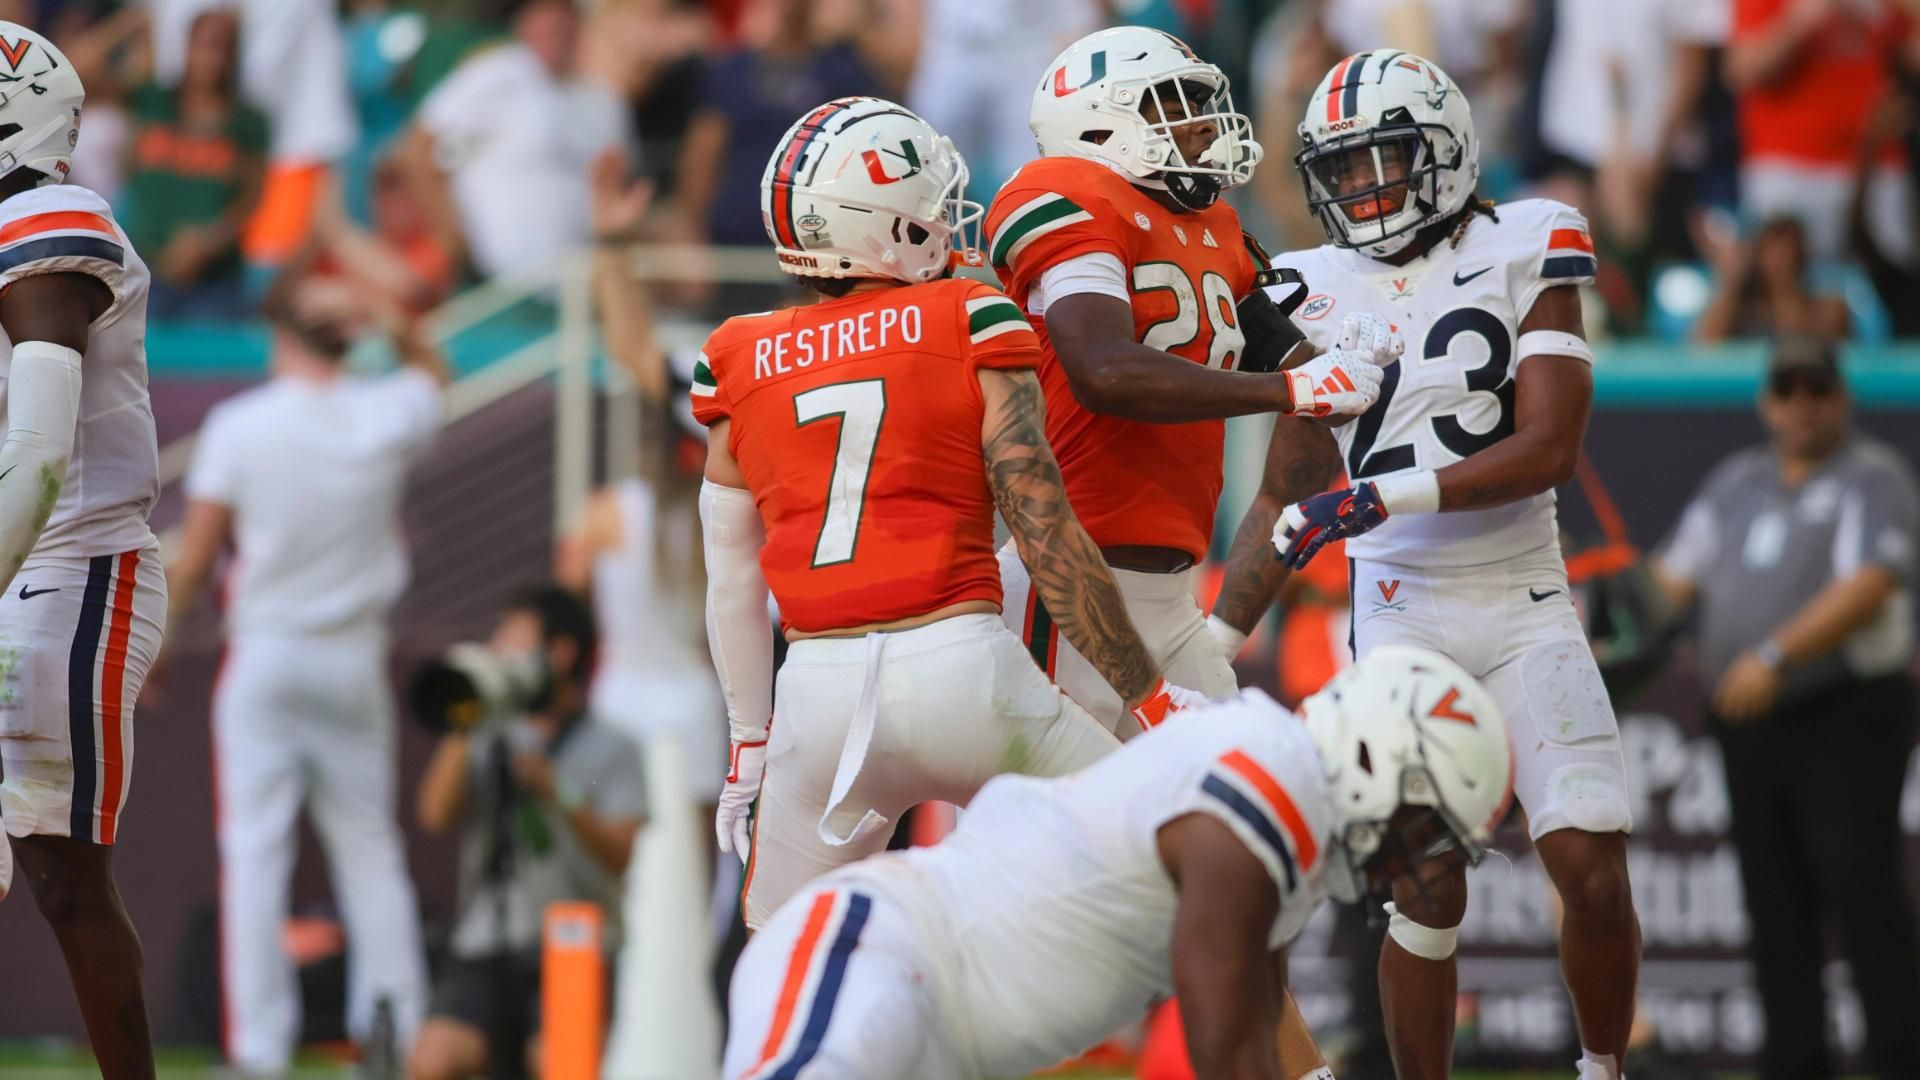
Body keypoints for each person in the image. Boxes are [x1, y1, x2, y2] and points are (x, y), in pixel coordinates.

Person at [696, 96, 1211, 929]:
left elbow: (729, 583)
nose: (945, 221)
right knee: (1184, 860)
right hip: (963, 674)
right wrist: (1148, 695)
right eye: (929, 206)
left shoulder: (738, 352)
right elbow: (1044, 531)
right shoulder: (967, 317)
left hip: (815, 697)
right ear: (880, 223)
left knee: (783, 968)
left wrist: (751, 741)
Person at [1259, 53, 1639, 1080]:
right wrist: (1216, 631)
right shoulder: (1306, 284)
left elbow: (1549, 447)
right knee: (1423, 888)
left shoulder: (1533, 235)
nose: (1363, 189)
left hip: (1524, 598)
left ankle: (1603, 1070)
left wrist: (1385, 492)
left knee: (1591, 866)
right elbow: (1286, 489)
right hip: (1400, 610)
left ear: (1448, 150)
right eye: (1342, 169)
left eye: (1385, 160)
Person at [722, 645, 1514, 1080]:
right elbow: (1230, 1056)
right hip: (877, 962)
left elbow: (1264, 1021)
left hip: (938, 1032)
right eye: (1424, 830)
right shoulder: (1265, 790)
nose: (1419, 868)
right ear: (1380, 761)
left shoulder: (1276, 805)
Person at [986, 25, 1397, 737]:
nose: (1201, 125)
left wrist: (1343, 365)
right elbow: (1103, 369)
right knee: (1061, 832)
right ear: (1101, 119)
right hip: (1069, 586)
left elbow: (1291, 366)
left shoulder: (1215, 225)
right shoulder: (1069, 192)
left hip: (1175, 594)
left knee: (1231, 806)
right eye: (1174, 105)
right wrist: (1288, 392)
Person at [160, 263, 446, 1074]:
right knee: (369, 847)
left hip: (267, 655)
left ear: (276, 330)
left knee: (254, 852)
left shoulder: (240, 426)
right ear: (347, 333)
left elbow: (199, 556)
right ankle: (392, 1028)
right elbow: (433, 373)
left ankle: (257, 1050)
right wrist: (384, 303)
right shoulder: (384, 412)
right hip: (352, 657)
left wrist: (159, 651)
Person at [1652, 338, 1920, 1080]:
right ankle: (1794, 1062)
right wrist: (1609, 612)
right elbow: (1669, 579)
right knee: (1772, 901)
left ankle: (1898, 1058)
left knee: (1859, 889)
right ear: (1767, 400)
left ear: (1842, 398)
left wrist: (1774, 654)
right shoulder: (1736, 481)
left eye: (1817, 389)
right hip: (1750, 718)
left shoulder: (1872, 478)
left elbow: (1871, 583)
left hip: (1845, 710)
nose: (1802, 405)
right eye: (1787, 389)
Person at [0, 23, 166, 1079]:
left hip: (73, 565)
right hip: (21, 555)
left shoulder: (47, 218)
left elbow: (39, 448)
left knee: (62, 874)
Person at [410, 586, 646, 1080]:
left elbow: (621, 854)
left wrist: (555, 790)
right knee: (433, 1059)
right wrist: (467, 712)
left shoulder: (616, 745)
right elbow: (434, 813)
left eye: (512, 639)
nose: (499, 650)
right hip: (484, 940)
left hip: (574, 940)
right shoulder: (488, 733)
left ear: (560, 653)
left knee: (561, 1066)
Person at [398, 0, 629, 282]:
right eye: (543, 13)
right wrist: (453, 240)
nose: (554, 22)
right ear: (524, 23)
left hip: (579, 287)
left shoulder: (602, 99)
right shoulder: (497, 71)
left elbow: (620, 187)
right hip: (496, 288)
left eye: (565, 13)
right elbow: (417, 147)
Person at [118, 6, 267, 321]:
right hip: (145, 263)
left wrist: (208, 241)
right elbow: (127, 166)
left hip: (215, 277)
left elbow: (251, 200)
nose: (212, 57)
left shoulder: (248, 123)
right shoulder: (153, 103)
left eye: (222, 47)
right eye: (205, 44)